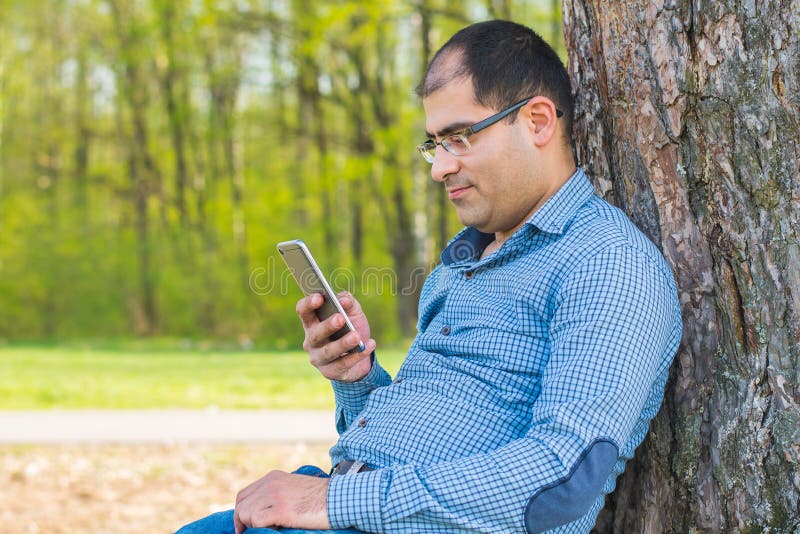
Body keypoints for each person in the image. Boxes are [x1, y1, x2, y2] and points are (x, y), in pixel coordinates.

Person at [177, 19, 682, 534]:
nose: (439, 168)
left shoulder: (607, 262)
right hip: (343, 503)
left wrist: (330, 501)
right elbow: (409, 441)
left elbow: (560, 482)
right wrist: (357, 379)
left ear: (537, 122)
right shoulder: (460, 264)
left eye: (459, 138)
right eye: (435, 144)